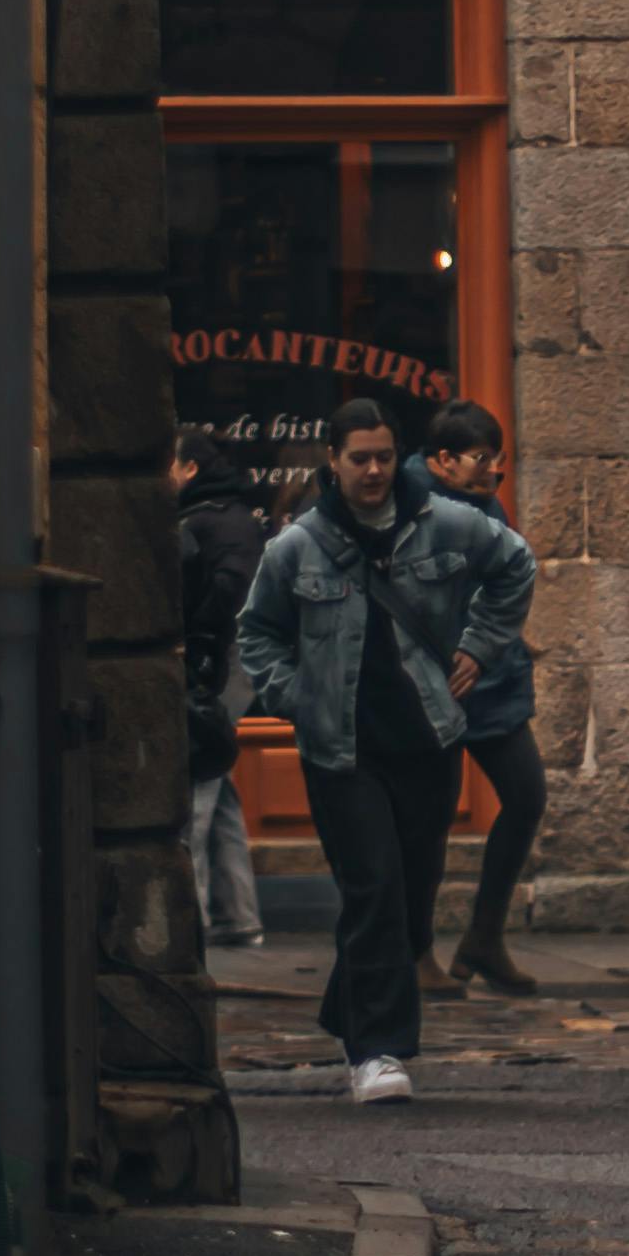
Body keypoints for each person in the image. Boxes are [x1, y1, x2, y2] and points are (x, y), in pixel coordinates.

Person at [232, 389, 533, 1106]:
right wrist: (294, 697)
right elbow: (257, 634)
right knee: (374, 887)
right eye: (359, 458)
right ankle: (378, 1051)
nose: (373, 471)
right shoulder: (297, 545)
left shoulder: (447, 524)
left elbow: (515, 566)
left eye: (384, 457)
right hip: (341, 748)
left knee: (410, 901)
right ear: (332, 461)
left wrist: (481, 648)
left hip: (428, 736)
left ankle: (348, 1007)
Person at [417, 396, 545, 996]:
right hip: (434, 688)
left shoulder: (484, 502)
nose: (494, 469)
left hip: (492, 686)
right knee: (429, 819)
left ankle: (484, 938)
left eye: (498, 458)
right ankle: (415, 953)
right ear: (443, 461)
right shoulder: (408, 506)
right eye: (481, 458)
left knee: (525, 797)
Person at [170, 432, 270, 955]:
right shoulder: (234, 515)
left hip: (222, 662)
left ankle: (194, 921)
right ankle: (239, 916)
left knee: (197, 794)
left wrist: (197, 642)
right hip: (242, 661)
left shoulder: (203, 520)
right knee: (221, 791)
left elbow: (224, 594)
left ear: (188, 469)